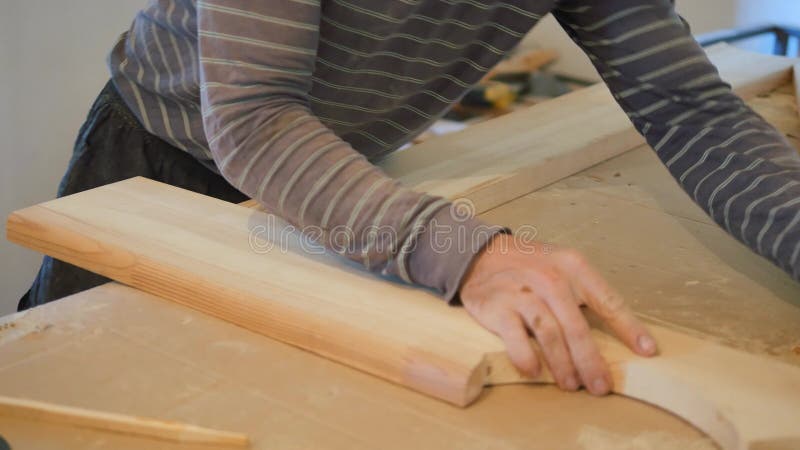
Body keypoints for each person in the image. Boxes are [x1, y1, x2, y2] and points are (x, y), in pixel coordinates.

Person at [20, 0, 800, 397]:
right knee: (66, 396)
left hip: (334, 173)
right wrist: (473, 251)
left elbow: (687, 107)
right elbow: (255, 116)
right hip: (165, 158)